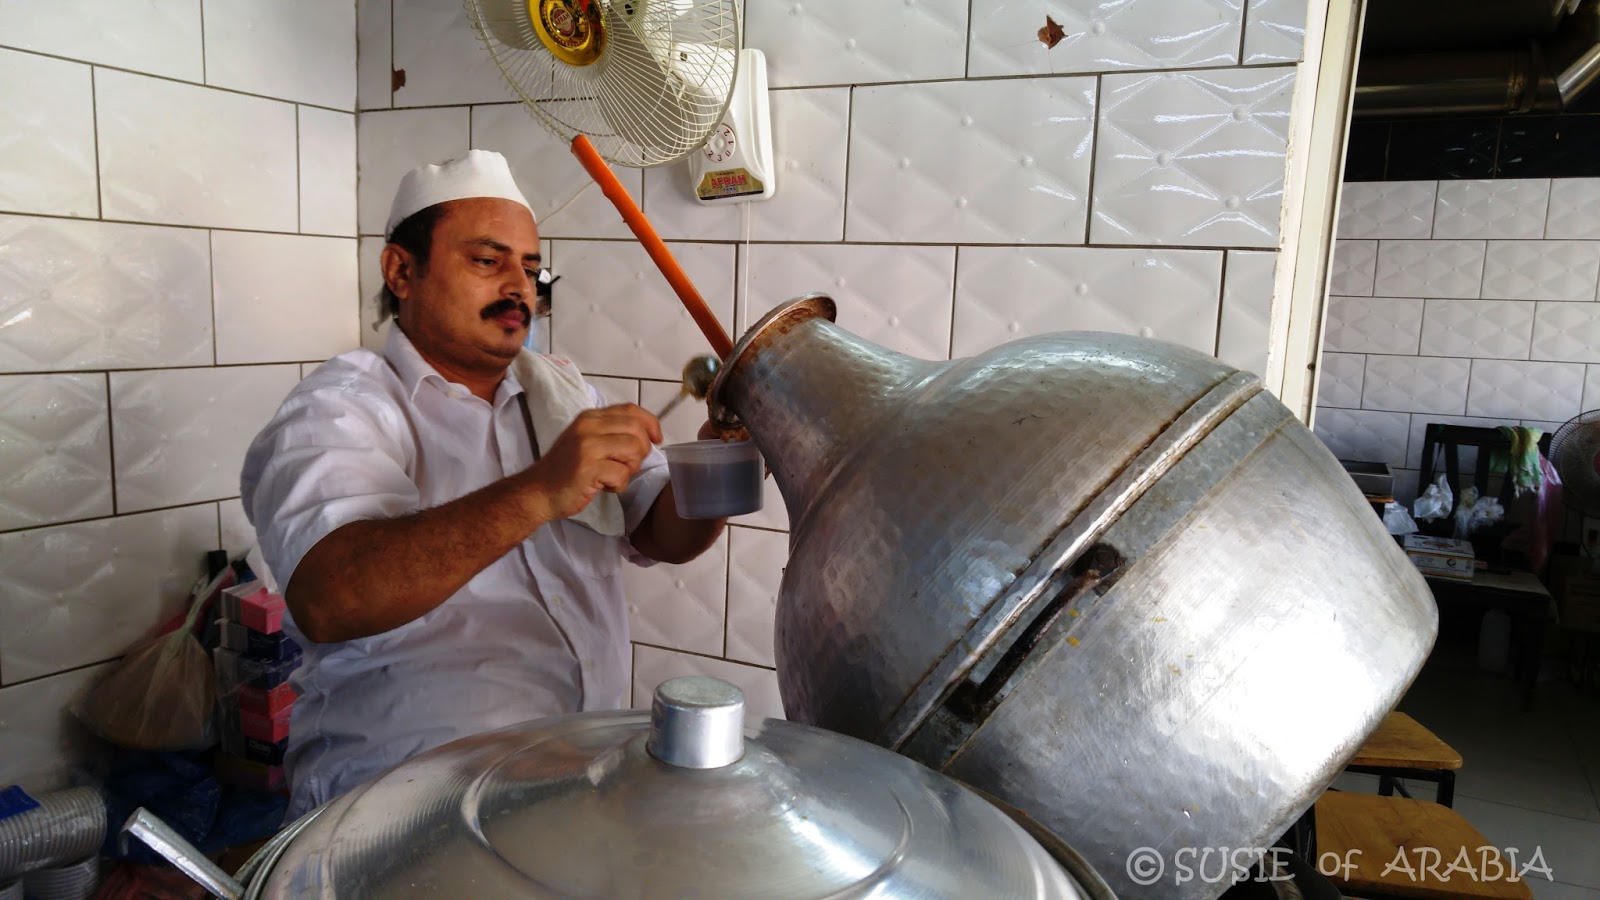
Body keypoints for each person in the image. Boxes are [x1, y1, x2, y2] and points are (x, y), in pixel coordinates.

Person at [239, 149, 725, 818]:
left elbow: (663, 532)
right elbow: (332, 596)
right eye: (487, 261)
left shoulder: (562, 394)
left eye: (530, 268)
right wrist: (540, 490)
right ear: (402, 270)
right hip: (400, 809)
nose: (520, 288)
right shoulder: (341, 409)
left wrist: (725, 451)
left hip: (573, 786)